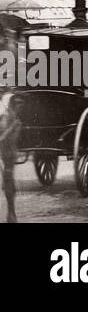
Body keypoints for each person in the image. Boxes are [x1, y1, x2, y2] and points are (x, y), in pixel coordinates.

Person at [0, 91, 21, 223]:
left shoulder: (6, 105)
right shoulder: (5, 106)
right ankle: (11, 214)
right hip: (5, 147)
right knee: (8, 180)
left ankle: (11, 213)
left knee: (8, 179)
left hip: (7, 150)